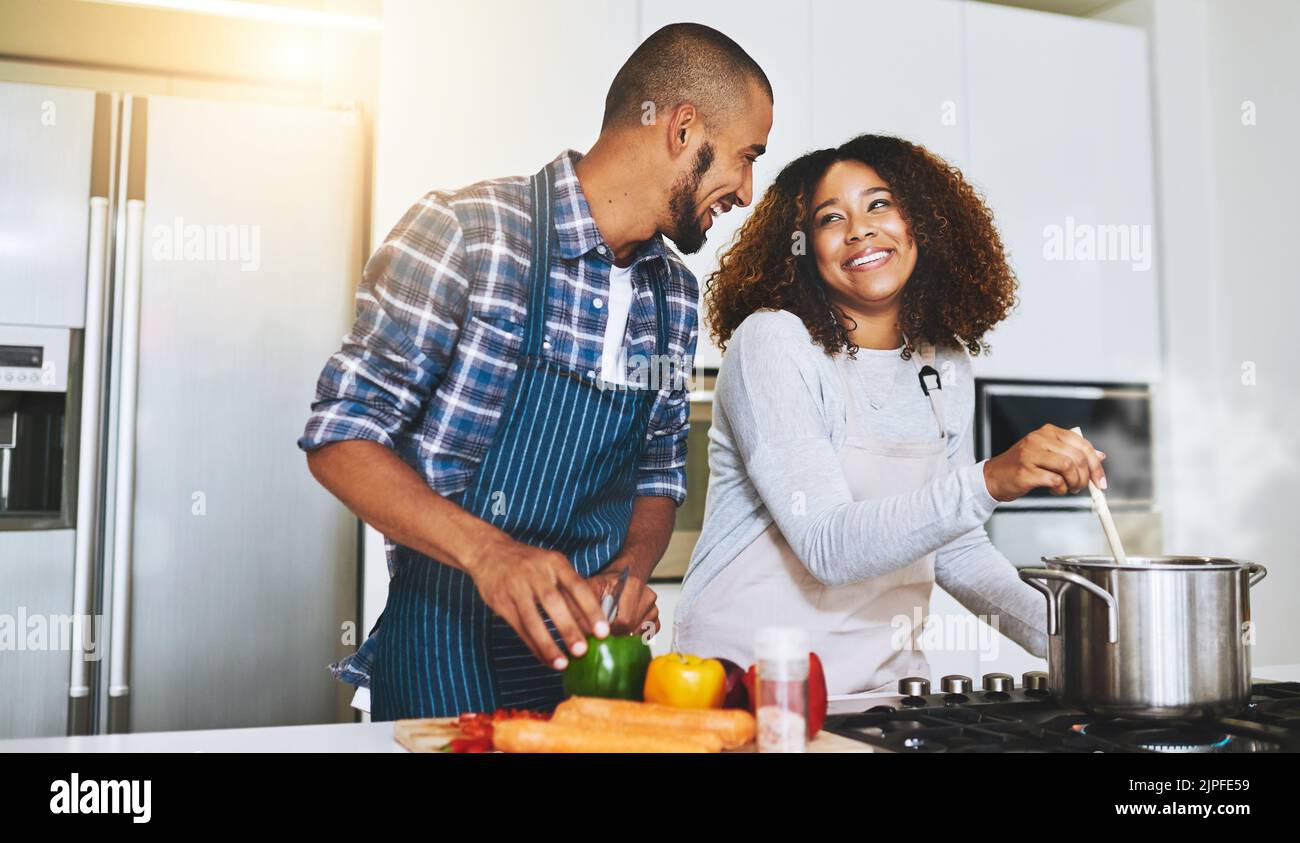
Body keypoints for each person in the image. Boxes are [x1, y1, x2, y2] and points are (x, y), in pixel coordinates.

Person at [298, 23, 772, 718]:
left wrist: (628, 574)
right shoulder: (469, 233)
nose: (749, 190)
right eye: (745, 156)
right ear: (682, 129)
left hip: (588, 668)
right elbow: (340, 437)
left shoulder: (672, 295)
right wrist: (492, 556)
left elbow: (659, 475)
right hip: (440, 647)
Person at [674, 134, 1106, 695]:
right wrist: (990, 480)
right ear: (801, 247)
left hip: (883, 688)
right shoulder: (774, 343)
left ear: (922, 223)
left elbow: (956, 549)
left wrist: (1090, 646)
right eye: (832, 218)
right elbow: (829, 545)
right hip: (752, 689)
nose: (859, 229)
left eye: (880, 204)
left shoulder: (943, 362)